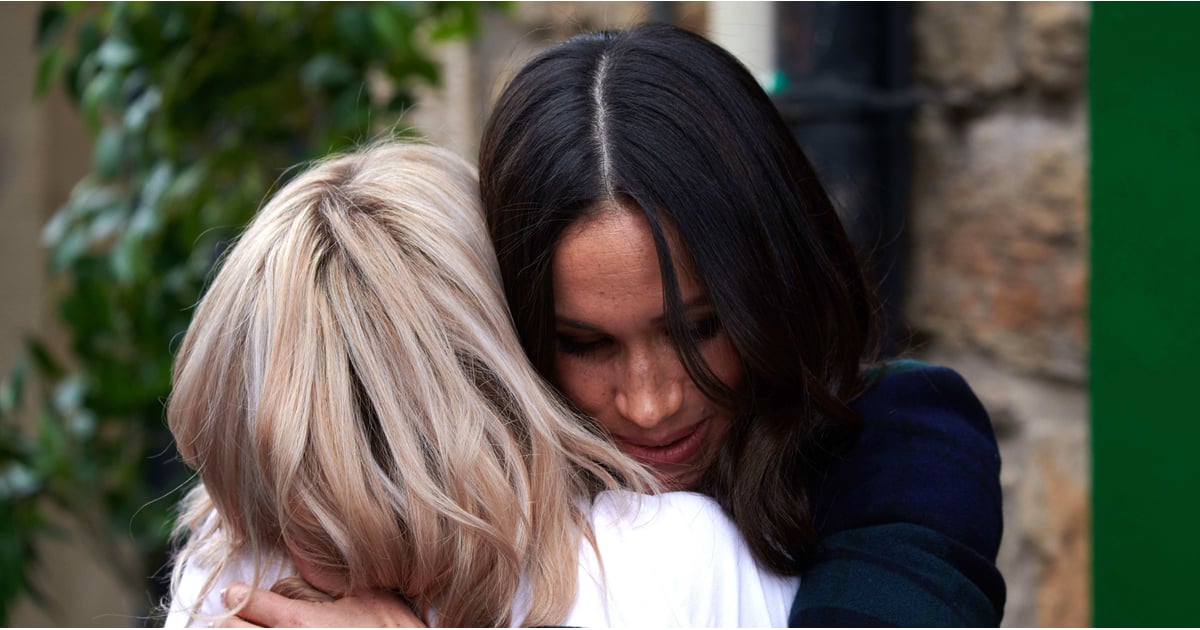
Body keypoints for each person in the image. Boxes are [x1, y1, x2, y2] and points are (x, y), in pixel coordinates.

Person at [222, 23, 1005, 627]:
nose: (651, 401)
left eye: (698, 329)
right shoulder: (467, 484)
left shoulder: (903, 441)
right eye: (584, 344)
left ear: (768, 285)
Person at [162, 141, 799, 627]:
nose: (301, 562)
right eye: (280, 505)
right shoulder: (230, 569)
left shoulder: (662, 567)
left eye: (355, 517)